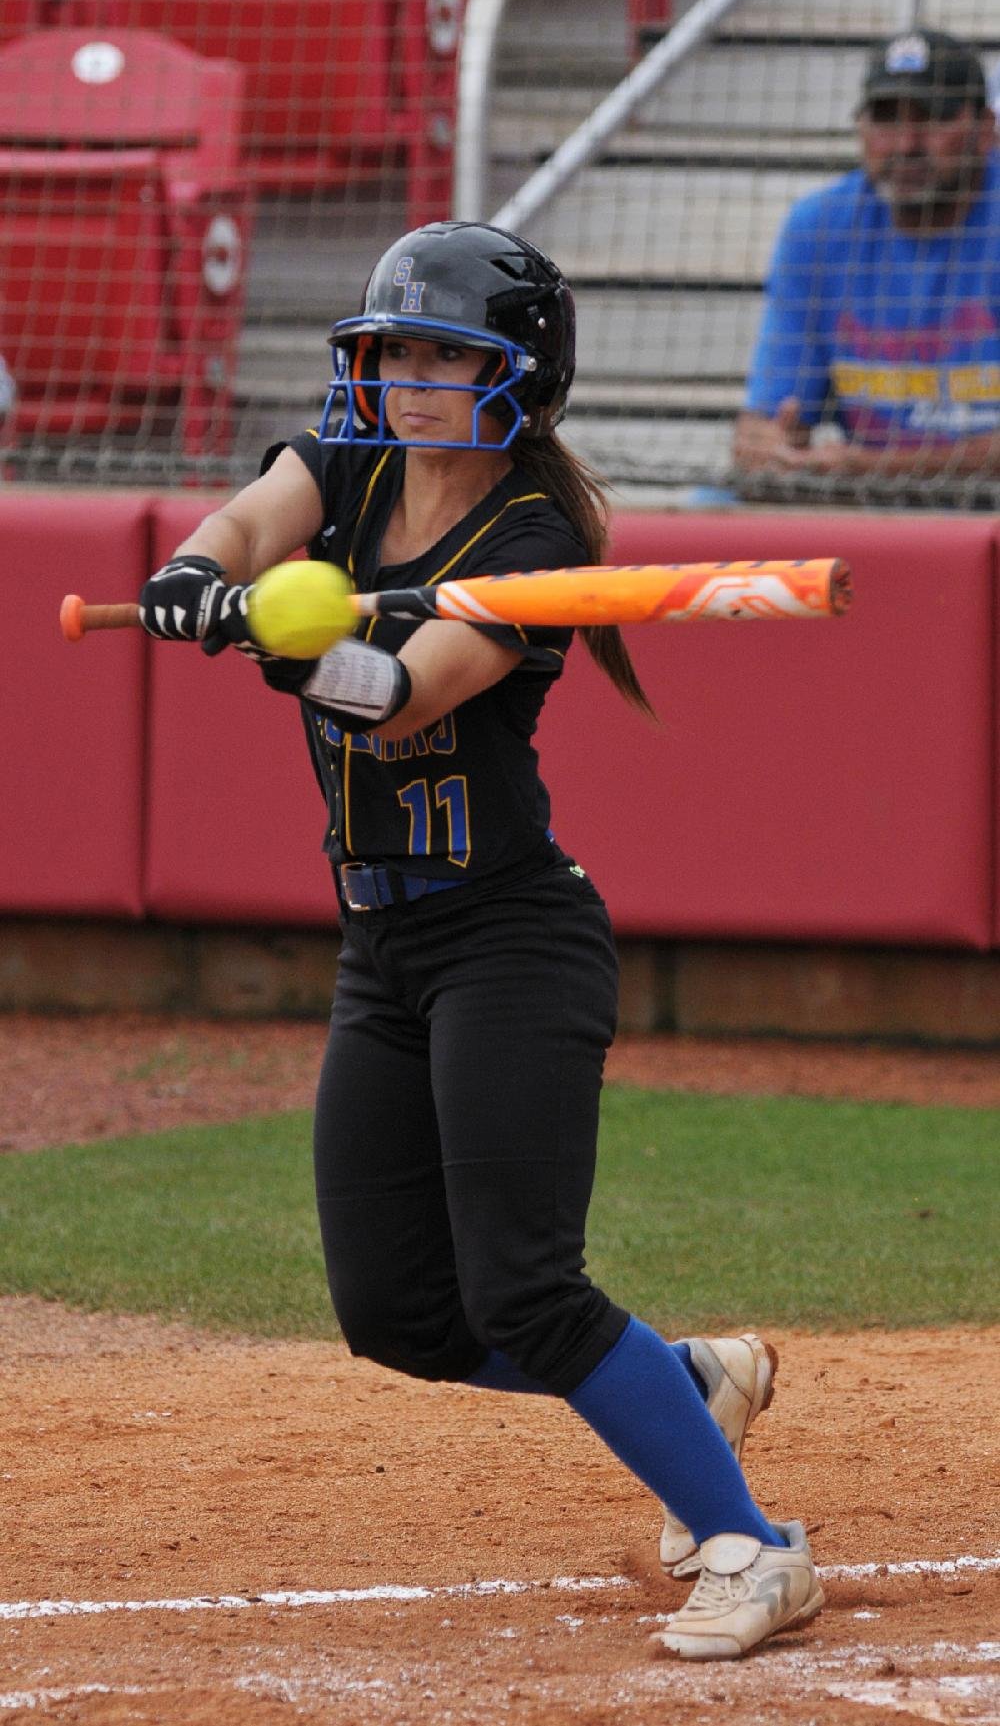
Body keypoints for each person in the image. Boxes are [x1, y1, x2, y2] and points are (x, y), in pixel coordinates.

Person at [136, 220, 823, 1661]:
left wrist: (285, 644)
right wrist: (201, 576)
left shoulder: (536, 535)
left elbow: (395, 691)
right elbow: (245, 522)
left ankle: (755, 1550)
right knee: (398, 1310)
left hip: (511, 940)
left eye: (448, 354)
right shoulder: (343, 465)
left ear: (518, 377)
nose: (411, 378)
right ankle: (686, 1379)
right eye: (394, 351)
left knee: (525, 1283)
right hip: (379, 951)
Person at [733, 28, 1000, 491]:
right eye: (885, 119)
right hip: (865, 494)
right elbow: (768, 416)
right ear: (860, 128)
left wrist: (880, 467)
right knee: (711, 504)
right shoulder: (817, 227)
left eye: (934, 117)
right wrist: (766, 443)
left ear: (987, 130)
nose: (906, 144)